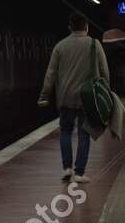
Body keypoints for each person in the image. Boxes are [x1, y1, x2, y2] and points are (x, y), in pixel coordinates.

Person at [38, 13, 109, 184]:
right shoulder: (94, 44)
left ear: (69, 27)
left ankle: (66, 168)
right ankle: (79, 172)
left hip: (65, 97)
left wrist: (44, 95)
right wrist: (106, 94)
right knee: (84, 134)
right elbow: (104, 71)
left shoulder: (60, 46)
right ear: (86, 27)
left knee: (65, 132)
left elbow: (51, 74)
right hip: (88, 98)